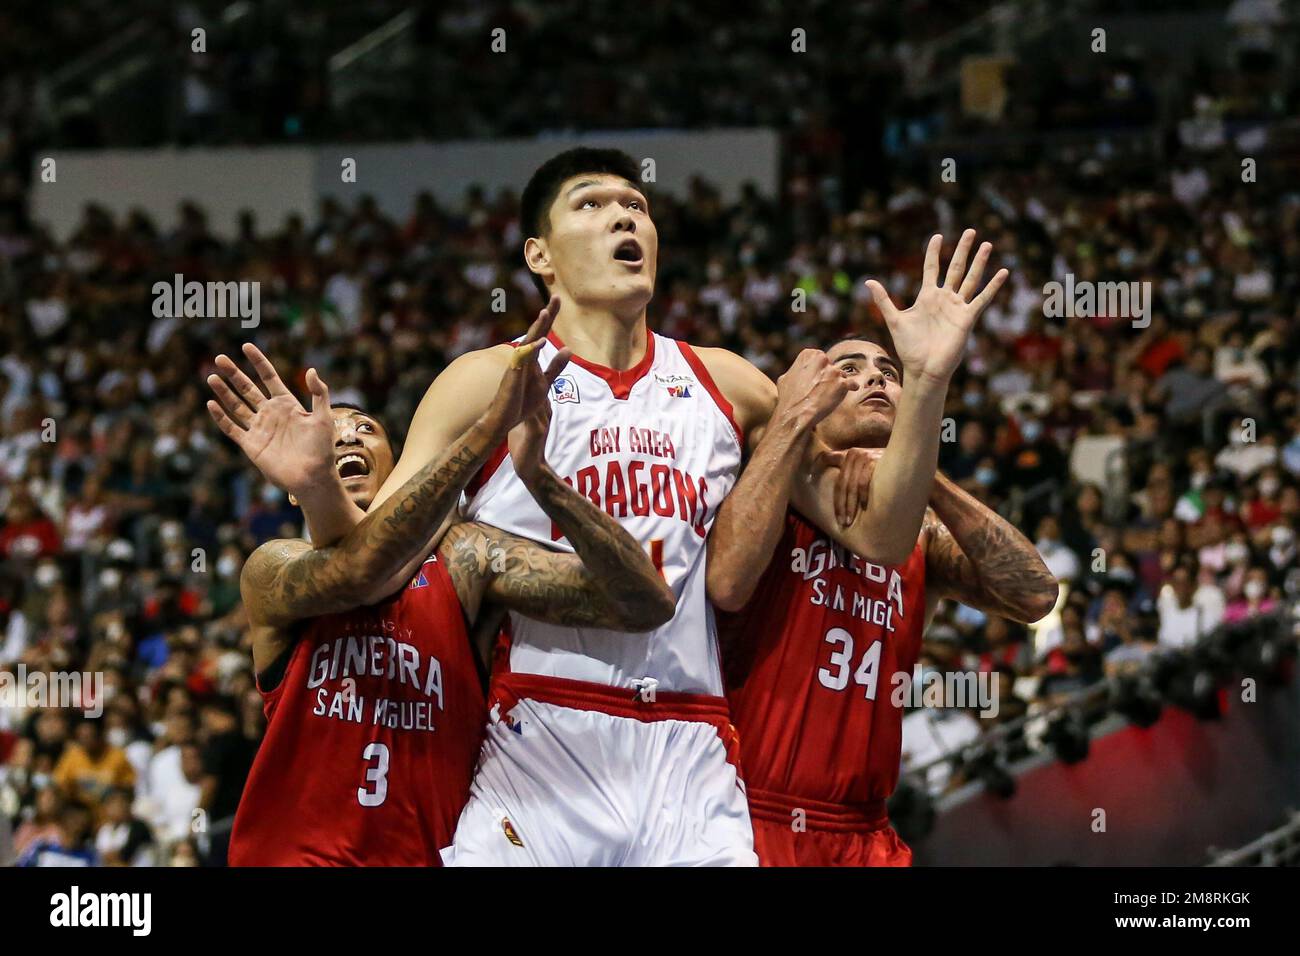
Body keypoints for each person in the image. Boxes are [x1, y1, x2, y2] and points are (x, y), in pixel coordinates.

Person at [237, 149, 992, 865]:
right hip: (539, 733)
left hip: (692, 742)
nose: (624, 218)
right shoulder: (484, 380)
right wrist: (320, 491)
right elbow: (372, 569)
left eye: (635, 205)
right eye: (592, 204)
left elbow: (884, 537)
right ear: (540, 255)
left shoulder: (726, 382)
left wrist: (926, 382)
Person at [205, 312, 675, 865]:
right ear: (290, 492)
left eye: (365, 429)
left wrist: (543, 480)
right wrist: (483, 430)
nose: (347, 435)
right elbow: (357, 574)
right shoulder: (273, 566)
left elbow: (644, 602)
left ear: (403, 467)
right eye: (331, 435)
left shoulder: (465, 556)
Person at [708, 233, 1058, 866]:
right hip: (744, 810)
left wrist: (926, 477)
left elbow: (1034, 595)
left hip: (866, 831)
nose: (873, 379)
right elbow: (724, 581)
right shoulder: (767, 482)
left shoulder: (919, 531)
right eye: (850, 370)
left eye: (888, 374)